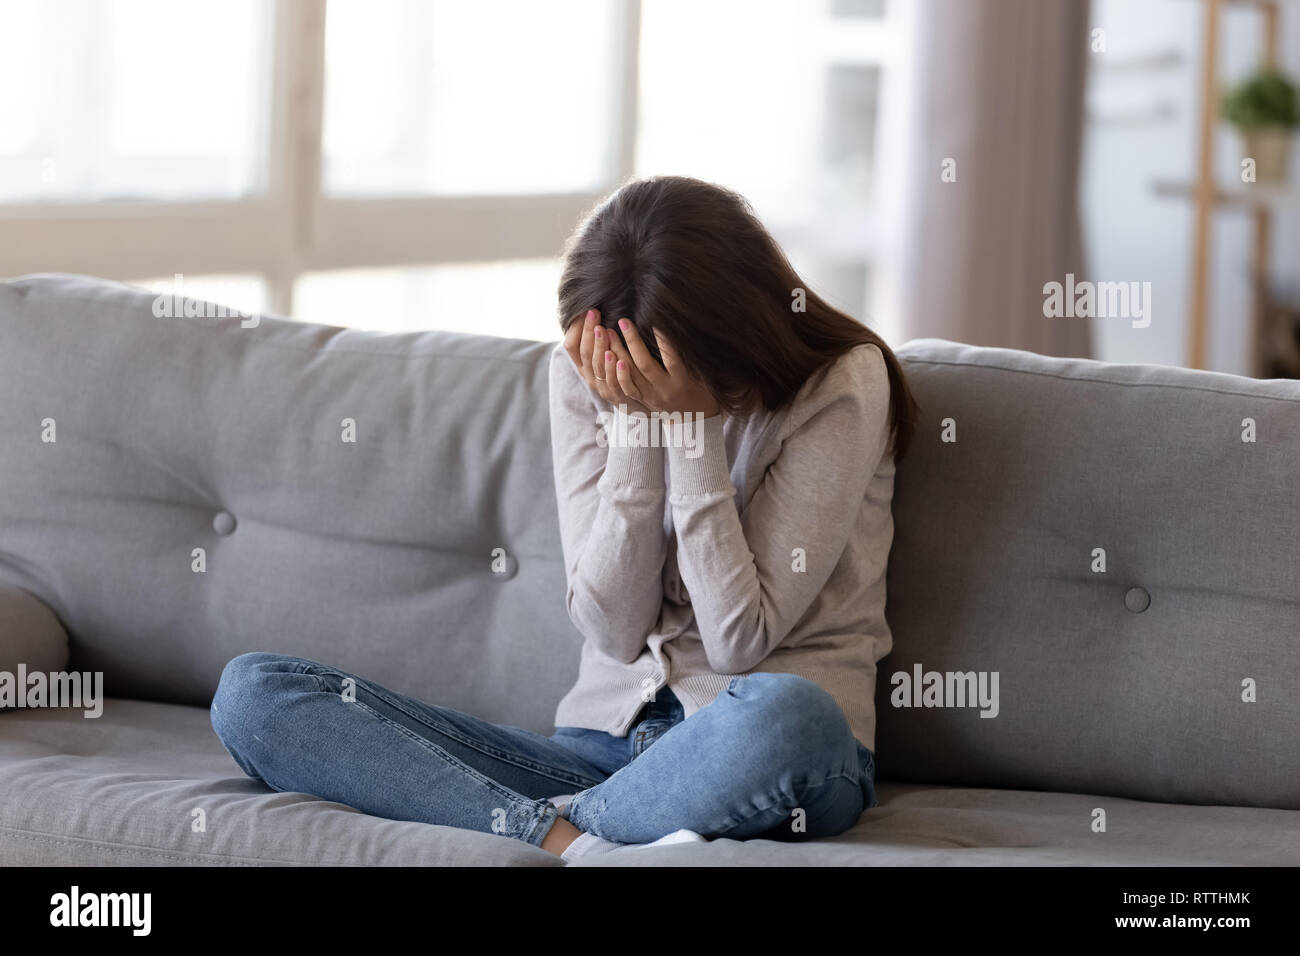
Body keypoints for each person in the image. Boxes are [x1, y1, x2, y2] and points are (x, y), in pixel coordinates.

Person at [210, 176, 916, 862]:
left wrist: (688, 430)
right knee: (257, 694)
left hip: (757, 752)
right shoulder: (582, 375)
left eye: (652, 367)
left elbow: (740, 640)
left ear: (734, 331)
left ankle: (538, 830)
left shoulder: (843, 382)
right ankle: (572, 842)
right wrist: (635, 429)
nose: (623, 381)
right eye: (617, 368)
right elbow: (613, 629)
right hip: (593, 754)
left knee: (793, 716)